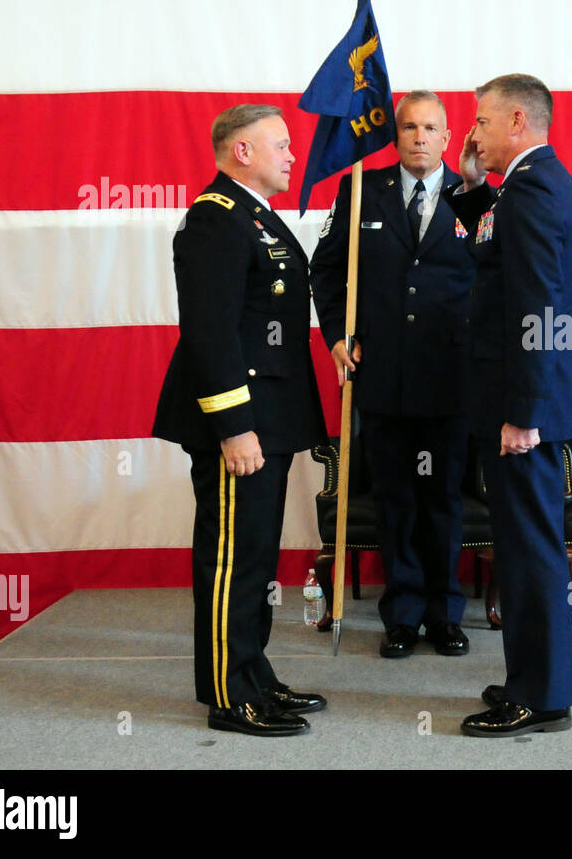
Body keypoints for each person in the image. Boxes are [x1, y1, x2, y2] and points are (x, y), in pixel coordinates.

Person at [154, 103, 328, 737]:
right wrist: (234, 426)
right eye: (279, 145)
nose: (292, 155)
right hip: (241, 421)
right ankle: (229, 695)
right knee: (231, 557)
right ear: (242, 152)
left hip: (269, 417)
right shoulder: (215, 220)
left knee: (254, 554)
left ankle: (252, 672)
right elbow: (210, 334)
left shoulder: (256, 217)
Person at [310, 91, 476, 659]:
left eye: (431, 128)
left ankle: (445, 613)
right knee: (396, 500)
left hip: (450, 380)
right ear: (396, 133)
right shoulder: (359, 190)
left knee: (443, 501)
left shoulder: (474, 196)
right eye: (409, 127)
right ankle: (403, 614)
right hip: (380, 378)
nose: (419, 137)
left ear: (447, 138)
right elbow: (327, 268)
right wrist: (337, 334)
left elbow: (495, 278)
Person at [448, 74, 572, 737]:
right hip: (516, 401)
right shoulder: (525, 187)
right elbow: (493, 254)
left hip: (522, 408)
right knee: (525, 546)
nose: (471, 134)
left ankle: (542, 695)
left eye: (479, 122)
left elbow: (537, 306)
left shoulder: (533, 191)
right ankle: (533, 679)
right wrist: (473, 190)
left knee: (530, 551)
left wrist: (524, 412)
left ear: (517, 120)